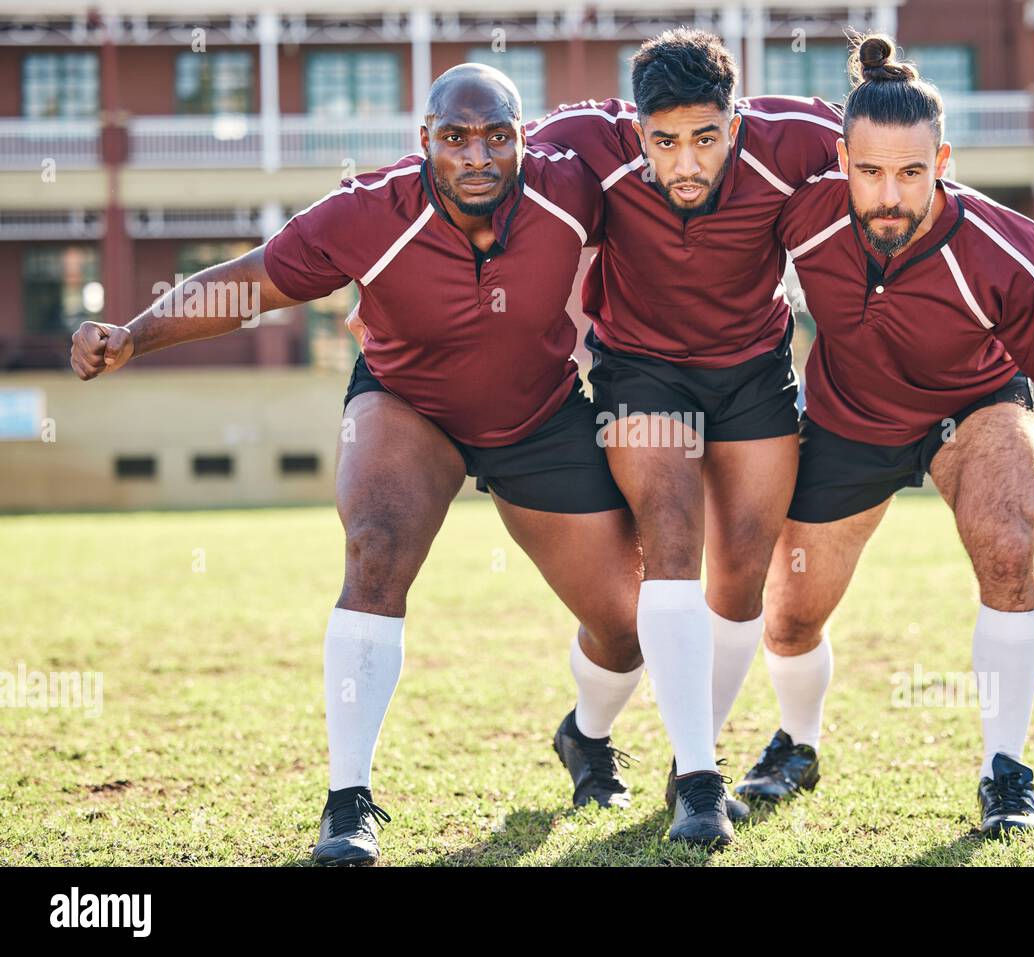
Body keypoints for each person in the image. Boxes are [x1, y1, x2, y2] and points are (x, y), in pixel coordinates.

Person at [69, 64, 647, 865]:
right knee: (373, 544)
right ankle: (349, 801)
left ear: (523, 138)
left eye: (497, 136)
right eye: (455, 138)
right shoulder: (366, 212)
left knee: (628, 624)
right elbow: (247, 286)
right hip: (409, 404)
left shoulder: (573, 186)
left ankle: (587, 737)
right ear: (424, 144)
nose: (477, 156)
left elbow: (684, 127)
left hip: (539, 415)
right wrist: (134, 333)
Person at [740, 33, 1034, 837]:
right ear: (841, 159)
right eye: (868, 172)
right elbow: (717, 142)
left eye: (910, 172)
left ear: (942, 159)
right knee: (790, 612)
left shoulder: (1007, 249)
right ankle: (798, 745)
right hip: (848, 418)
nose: (889, 195)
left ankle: (1005, 768)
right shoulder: (804, 219)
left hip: (973, 410)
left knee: (1010, 554)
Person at [521, 28, 845, 846]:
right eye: (664, 143)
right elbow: (473, 177)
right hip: (642, 368)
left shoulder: (797, 139)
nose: (686, 164)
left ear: (734, 123)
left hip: (752, 369)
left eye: (705, 138)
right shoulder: (584, 140)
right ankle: (700, 780)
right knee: (671, 536)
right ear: (637, 131)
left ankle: (614, 743)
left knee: (743, 571)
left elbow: (897, 161)